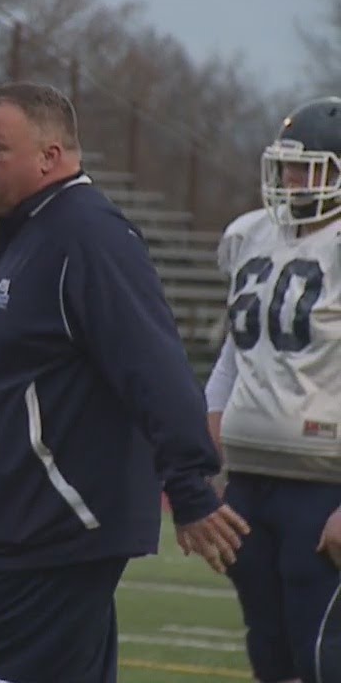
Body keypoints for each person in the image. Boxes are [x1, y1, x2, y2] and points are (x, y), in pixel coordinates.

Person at [0, 81, 250, 683]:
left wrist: (189, 485)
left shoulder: (87, 236)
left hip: (52, 527)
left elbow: (152, 367)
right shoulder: (30, 229)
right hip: (24, 528)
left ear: (49, 156)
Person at [205, 96, 341, 683]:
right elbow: (237, 352)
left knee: (322, 653)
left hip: (322, 483)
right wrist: (210, 436)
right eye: (287, 167)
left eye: (309, 169)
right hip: (249, 481)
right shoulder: (250, 234)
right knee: (269, 650)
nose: (292, 181)